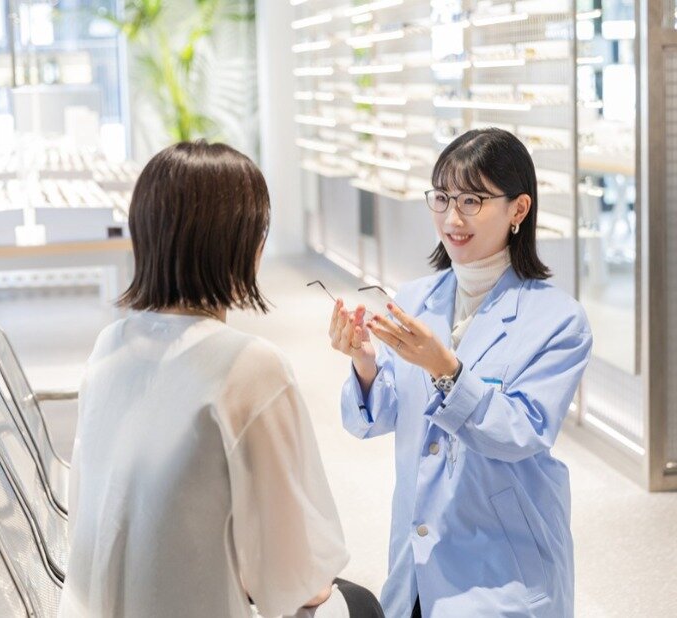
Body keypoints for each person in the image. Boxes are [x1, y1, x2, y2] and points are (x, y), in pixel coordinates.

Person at [60, 141, 383, 618]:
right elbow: (296, 576)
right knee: (359, 603)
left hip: (95, 603)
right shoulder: (250, 367)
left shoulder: (110, 345)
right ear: (240, 244)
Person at [328, 128, 593, 617]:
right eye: (443, 198)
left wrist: (446, 369)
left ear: (518, 209)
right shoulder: (415, 299)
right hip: (417, 559)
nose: (452, 218)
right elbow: (379, 417)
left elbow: (522, 431)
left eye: (472, 200)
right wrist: (364, 362)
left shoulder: (558, 320)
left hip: (503, 566)